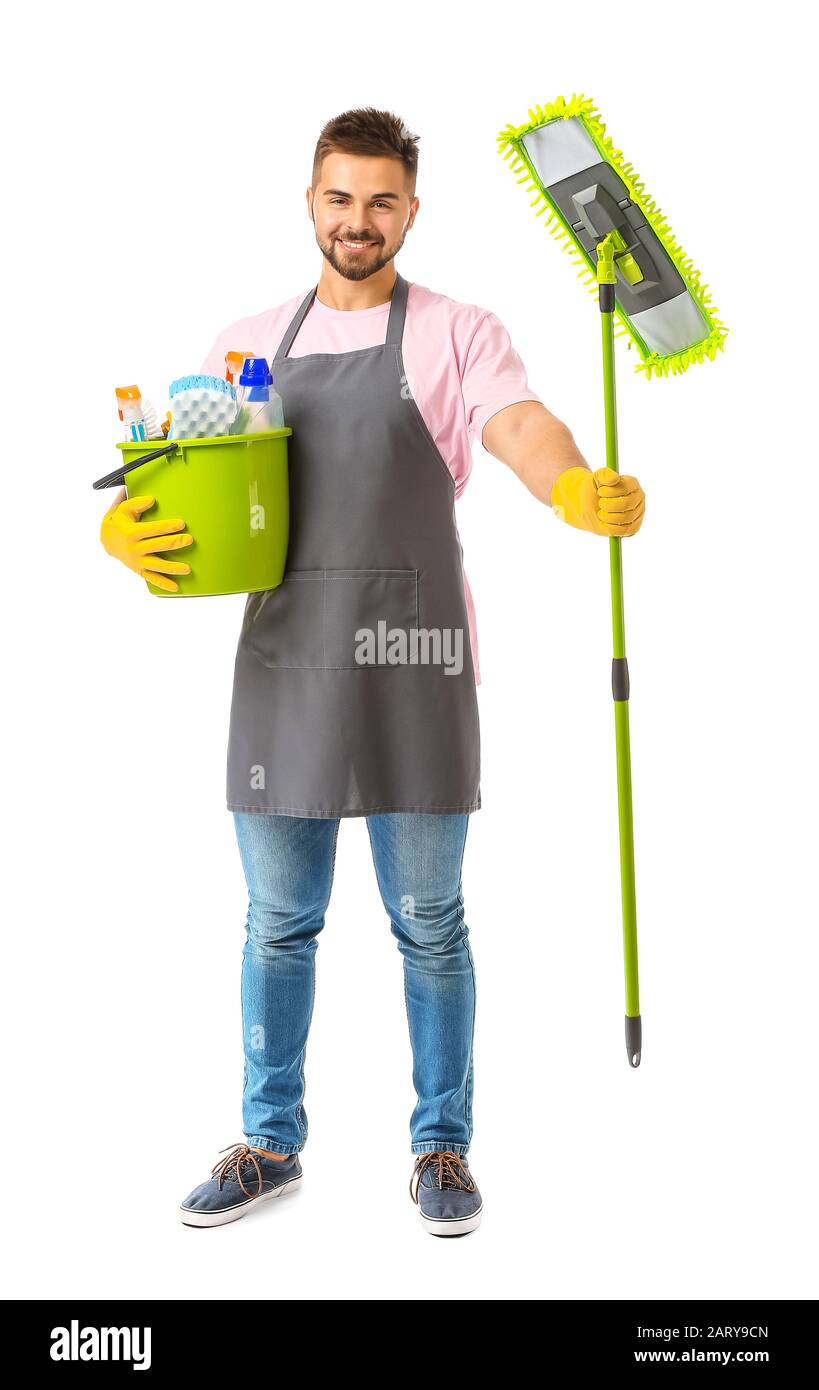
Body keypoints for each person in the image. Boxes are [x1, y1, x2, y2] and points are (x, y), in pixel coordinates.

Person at [100, 107, 645, 1237]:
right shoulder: (246, 342)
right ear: (311, 202)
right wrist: (127, 527)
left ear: (410, 209)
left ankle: (441, 1149)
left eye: (382, 200)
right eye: (340, 198)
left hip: (415, 659)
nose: (360, 220)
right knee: (277, 920)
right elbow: (182, 476)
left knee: (431, 919)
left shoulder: (455, 329)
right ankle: (268, 1143)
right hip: (286, 666)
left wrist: (572, 486)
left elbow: (519, 422)